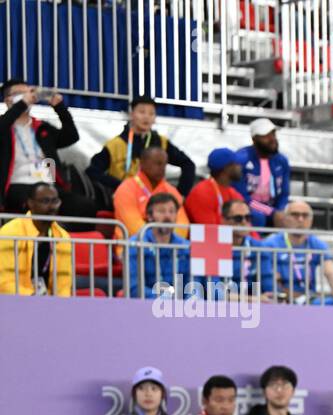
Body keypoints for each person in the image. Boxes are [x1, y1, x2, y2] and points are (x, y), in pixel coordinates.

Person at [0, 81, 86, 216]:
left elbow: (71, 136)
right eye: (20, 94)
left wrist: (59, 107)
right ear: (8, 100)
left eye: (29, 92)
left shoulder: (41, 127)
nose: (27, 96)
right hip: (17, 185)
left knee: (84, 206)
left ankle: (60, 235)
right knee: (39, 203)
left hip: (48, 183)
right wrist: (21, 104)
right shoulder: (4, 124)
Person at [87, 95, 196, 200]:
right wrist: (120, 185)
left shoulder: (161, 142)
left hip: (155, 201)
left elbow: (188, 165)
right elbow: (92, 171)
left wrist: (180, 195)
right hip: (125, 197)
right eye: (142, 112)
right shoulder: (116, 144)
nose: (146, 117)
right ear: (132, 114)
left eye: (151, 113)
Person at [257, 200, 333, 305]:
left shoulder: (317, 244)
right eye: (295, 215)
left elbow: (331, 274)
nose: (300, 219)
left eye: (305, 215)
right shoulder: (270, 244)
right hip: (279, 299)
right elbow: (269, 282)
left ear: (311, 220)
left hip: (308, 300)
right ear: (285, 219)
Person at [0, 182, 72, 296]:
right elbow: (4, 282)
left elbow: (64, 284)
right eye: (45, 201)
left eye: (55, 201)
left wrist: (59, 305)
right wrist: (33, 297)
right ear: (30, 203)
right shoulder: (10, 232)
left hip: (48, 305)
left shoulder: (63, 237)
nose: (52, 207)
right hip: (13, 302)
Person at [113, 145, 189, 239]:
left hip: (168, 248)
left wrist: (169, 242)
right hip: (132, 249)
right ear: (142, 163)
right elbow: (134, 227)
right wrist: (162, 241)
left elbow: (183, 225)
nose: (162, 168)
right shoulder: (126, 189)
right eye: (157, 163)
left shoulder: (170, 190)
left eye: (164, 164)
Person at [125, 193, 191, 300]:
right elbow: (134, 288)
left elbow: (192, 285)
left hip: (180, 309)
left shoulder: (186, 247)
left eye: (172, 211)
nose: (167, 216)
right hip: (145, 307)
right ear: (149, 216)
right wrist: (165, 300)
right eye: (161, 211)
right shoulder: (136, 244)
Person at [234, 118, 292, 229]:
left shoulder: (281, 160)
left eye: (273, 134)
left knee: (296, 216)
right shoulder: (241, 159)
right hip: (247, 208)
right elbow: (241, 196)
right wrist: (271, 212)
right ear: (254, 139)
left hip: (273, 208)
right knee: (258, 217)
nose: (272, 139)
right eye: (266, 135)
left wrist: (279, 211)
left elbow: (284, 193)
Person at [184, 148, 244, 227]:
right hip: (206, 237)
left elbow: (247, 226)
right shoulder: (202, 193)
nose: (241, 167)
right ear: (226, 168)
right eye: (237, 163)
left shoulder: (232, 192)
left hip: (228, 237)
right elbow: (210, 232)